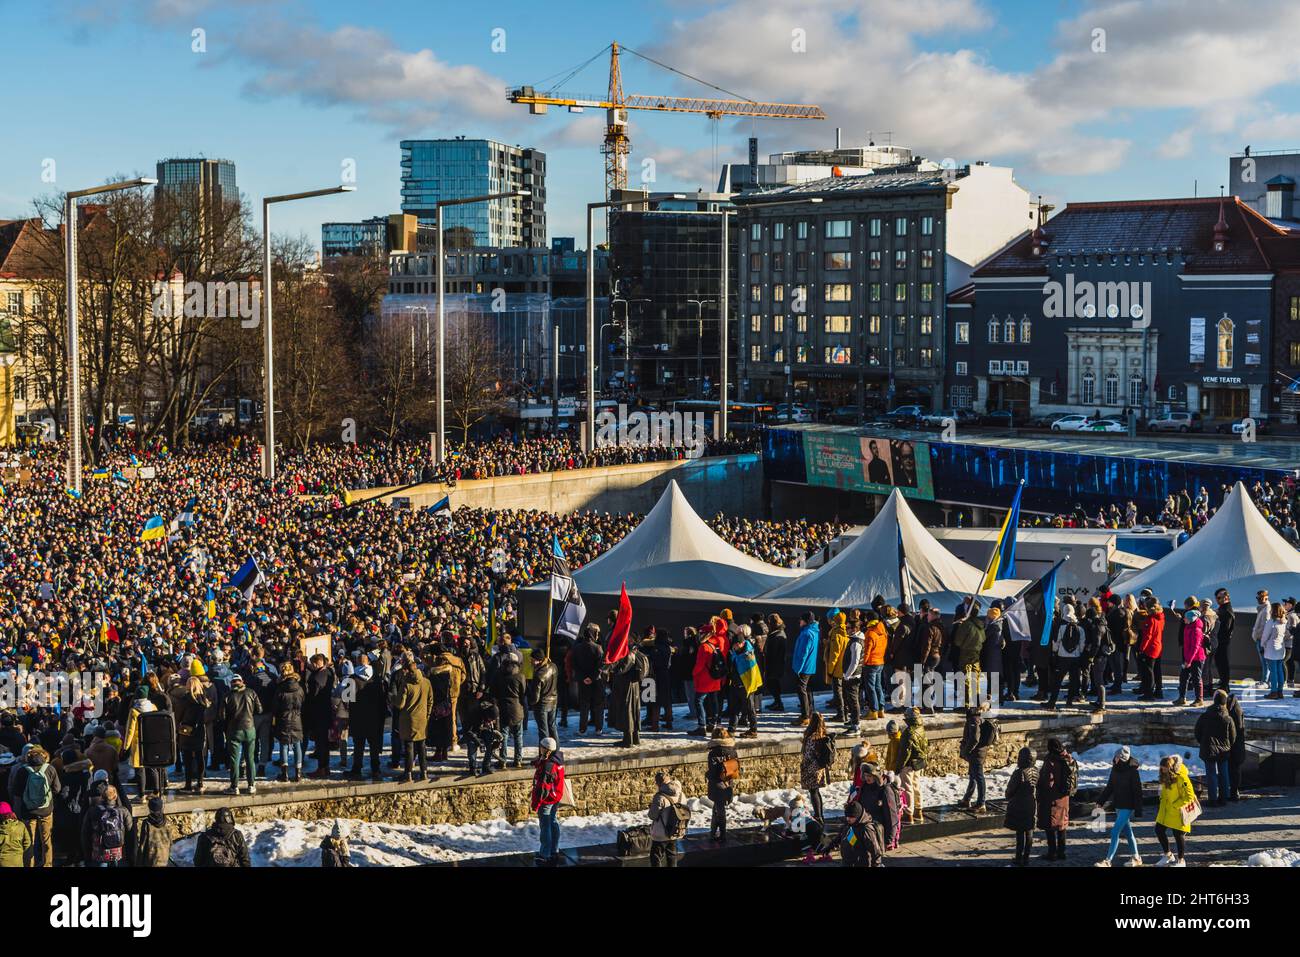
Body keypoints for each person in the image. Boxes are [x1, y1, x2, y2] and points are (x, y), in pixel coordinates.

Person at [1094, 746, 1143, 867]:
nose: (1114, 759)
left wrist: (1138, 810)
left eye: (1116, 756)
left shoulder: (1133, 772)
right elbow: (1109, 787)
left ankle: (1108, 861)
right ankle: (1136, 857)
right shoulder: (1115, 770)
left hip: (1128, 806)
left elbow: (1138, 791)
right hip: (1118, 805)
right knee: (1128, 832)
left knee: (1115, 831)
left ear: (1121, 758)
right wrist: (1101, 801)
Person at [11, 746, 58, 867]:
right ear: (43, 755)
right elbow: (57, 788)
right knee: (46, 840)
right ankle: (47, 864)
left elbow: (16, 791)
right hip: (46, 810)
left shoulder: (22, 771)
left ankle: (29, 865)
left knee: (28, 841)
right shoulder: (50, 768)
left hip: (28, 810)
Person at [392, 654, 433, 781]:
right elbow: (430, 701)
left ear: (407, 670)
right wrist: (427, 715)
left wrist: (392, 698)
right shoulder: (426, 682)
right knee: (422, 747)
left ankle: (408, 773)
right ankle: (424, 772)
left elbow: (400, 704)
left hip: (408, 720)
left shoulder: (406, 684)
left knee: (409, 747)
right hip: (422, 719)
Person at [1194, 690, 1237, 806]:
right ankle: (1224, 797)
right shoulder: (1228, 719)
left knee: (1211, 774)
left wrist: (1202, 742)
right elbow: (1233, 737)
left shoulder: (1205, 716)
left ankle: (1212, 799)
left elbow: (1197, 732)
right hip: (1224, 750)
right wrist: (1227, 746)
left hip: (1208, 749)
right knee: (1224, 773)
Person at [222, 673, 262, 794]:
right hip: (249, 728)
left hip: (234, 730)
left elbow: (222, 715)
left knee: (234, 759)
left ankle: (234, 786)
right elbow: (259, 710)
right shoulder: (251, 692)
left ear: (231, 683)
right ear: (242, 681)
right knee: (250, 758)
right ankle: (251, 785)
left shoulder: (228, 696)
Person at [1036, 738, 1075, 861]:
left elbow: (1047, 781)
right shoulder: (1068, 758)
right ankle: (1062, 852)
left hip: (1052, 798)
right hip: (1064, 798)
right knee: (1061, 825)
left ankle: (1052, 853)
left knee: (1050, 826)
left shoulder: (1051, 760)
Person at [347, 659, 386, 779]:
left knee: (358, 745)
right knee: (374, 745)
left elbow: (346, 698)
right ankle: (376, 769)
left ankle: (356, 769)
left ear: (358, 663)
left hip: (358, 717)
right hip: (374, 717)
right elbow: (382, 699)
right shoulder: (377, 678)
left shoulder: (352, 679)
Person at [1154, 754, 1196, 866]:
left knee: (1178, 834)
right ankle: (1168, 855)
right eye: (1161, 768)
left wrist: (1176, 805)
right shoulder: (1163, 776)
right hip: (1166, 810)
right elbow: (1163, 793)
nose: (1161, 770)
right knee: (1158, 829)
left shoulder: (1182, 777)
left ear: (1170, 767)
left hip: (1178, 811)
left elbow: (1190, 795)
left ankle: (1181, 860)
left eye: (1164, 768)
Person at [530, 737, 564, 866]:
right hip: (556, 797)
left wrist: (536, 804)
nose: (539, 748)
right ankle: (554, 850)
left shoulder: (548, 766)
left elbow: (543, 788)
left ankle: (544, 854)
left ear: (546, 749)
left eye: (541, 746)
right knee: (553, 822)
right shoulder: (556, 760)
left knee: (545, 827)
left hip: (547, 799)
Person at [692, 618, 728, 735]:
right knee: (714, 701)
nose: (699, 635)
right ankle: (714, 723)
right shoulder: (715, 645)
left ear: (706, 634)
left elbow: (699, 666)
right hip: (714, 679)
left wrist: (693, 673)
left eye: (701, 633)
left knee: (698, 701)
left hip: (704, 679)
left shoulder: (704, 647)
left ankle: (701, 726)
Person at [81, 784, 132, 868]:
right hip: (117, 851)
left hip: (100, 852)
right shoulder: (123, 811)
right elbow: (130, 829)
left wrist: (86, 855)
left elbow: (85, 833)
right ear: (115, 797)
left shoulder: (93, 811)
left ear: (102, 796)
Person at [1003, 747, 1038, 866]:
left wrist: (1008, 795)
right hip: (1032, 803)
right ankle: (1026, 857)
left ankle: (1019, 857)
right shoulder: (1036, 770)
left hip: (1020, 804)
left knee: (1020, 832)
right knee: (1029, 830)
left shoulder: (1019, 773)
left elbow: (1011, 789)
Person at [492, 653, 528, 766]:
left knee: (504, 735)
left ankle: (502, 760)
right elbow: (524, 694)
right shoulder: (520, 676)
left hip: (503, 708)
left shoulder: (498, 675)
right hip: (517, 708)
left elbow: (494, 692)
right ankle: (518, 760)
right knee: (518, 735)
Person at [647, 770, 688, 867]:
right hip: (675, 830)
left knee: (655, 857)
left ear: (659, 783)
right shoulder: (681, 794)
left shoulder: (659, 797)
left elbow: (652, 816)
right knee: (672, 856)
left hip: (661, 834)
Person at [800, 712, 835, 824]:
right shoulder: (823, 735)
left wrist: (804, 766)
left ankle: (818, 816)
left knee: (813, 792)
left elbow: (808, 754)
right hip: (820, 768)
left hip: (811, 767)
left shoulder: (811, 737)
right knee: (816, 792)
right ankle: (820, 815)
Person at [273, 665, 306, 783]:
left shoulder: (280, 688)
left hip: (284, 718)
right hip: (297, 718)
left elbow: (275, 706)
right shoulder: (300, 688)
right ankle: (298, 773)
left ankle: (284, 773)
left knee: (284, 745)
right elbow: (303, 701)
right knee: (297, 744)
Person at [957, 706, 993, 813]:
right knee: (973, 775)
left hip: (976, 754)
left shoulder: (973, 721)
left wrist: (966, 751)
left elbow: (974, 739)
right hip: (979, 752)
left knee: (979, 777)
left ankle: (981, 803)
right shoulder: (979, 719)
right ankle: (967, 799)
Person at [706, 727, 739, 842]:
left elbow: (713, 772)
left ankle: (722, 834)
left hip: (717, 785)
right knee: (717, 809)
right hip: (728, 784)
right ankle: (713, 833)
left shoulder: (713, 753)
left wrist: (707, 775)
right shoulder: (733, 751)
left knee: (719, 811)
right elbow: (736, 768)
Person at [896, 707, 928, 823]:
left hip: (909, 764)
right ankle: (918, 811)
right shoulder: (921, 728)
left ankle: (908, 814)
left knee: (907, 788)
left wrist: (898, 767)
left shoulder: (908, 732)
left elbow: (904, 752)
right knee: (916, 786)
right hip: (918, 763)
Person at [178, 675, 210, 791]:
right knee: (199, 756)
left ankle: (188, 784)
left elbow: (179, 715)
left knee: (187, 759)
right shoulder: (203, 699)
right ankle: (200, 782)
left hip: (186, 731)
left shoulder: (185, 698)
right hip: (200, 731)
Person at [1175, 597, 1206, 707]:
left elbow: (1195, 647)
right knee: (1183, 677)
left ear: (1191, 619)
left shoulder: (1196, 630)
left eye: (1185, 618)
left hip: (1196, 658)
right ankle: (1182, 697)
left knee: (1197, 678)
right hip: (1188, 657)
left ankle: (1199, 699)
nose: (1183, 620)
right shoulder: (1188, 627)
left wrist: (1189, 660)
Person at [790, 611, 820, 726]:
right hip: (809, 665)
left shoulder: (807, 633)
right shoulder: (813, 631)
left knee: (801, 689)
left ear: (806, 621)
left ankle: (805, 716)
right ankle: (808, 713)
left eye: (801, 619)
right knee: (806, 689)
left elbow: (803, 653)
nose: (799, 621)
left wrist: (798, 668)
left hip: (804, 667)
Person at [527, 651, 560, 746]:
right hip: (553, 700)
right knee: (552, 727)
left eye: (532, 660)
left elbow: (535, 698)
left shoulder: (539, 674)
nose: (531, 662)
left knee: (543, 731)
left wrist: (530, 703)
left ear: (539, 660)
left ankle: (544, 754)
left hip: (542, 704)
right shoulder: (553, 666)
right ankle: (555, 751)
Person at [132, 796, 174, 867]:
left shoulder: (147, 823)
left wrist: (138, 863)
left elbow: (142, 845)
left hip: (151, 859)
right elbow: (170, 842)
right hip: (164, 858)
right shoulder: (168, 822)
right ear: (161, 808)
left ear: (150, 809)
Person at [1137, 597, 1166, 700]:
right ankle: (1158, 691)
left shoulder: (1151, 619)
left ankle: (1148, 693)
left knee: (1148, 672)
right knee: (1157, 670)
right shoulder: (1161, 617)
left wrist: (1141, 649)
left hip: (1150, 648)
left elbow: (1147, 636)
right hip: (1158, 646)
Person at [862, 610, 889, 720]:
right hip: (880, 662)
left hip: (871, 663)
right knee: (878, 686)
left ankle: (873, 710)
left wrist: (863, 662)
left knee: (870, 688)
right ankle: (881, 710)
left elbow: (867, 651)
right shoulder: (883, 631)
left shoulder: (870, 633)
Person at [823, 611, 849, 721]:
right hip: (846, 667)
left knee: (838, 692)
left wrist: (830, 669)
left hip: (837, 668)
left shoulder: (836, 633)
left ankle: (841, 714)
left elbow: (834, 654)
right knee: (845, 691)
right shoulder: (847, 632)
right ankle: (846, 713)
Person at [1261, 602, 1289, 698]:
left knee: (1273, 671)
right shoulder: (1284, 622)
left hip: (1271, 649)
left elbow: (1265, 636)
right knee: (1279, 670)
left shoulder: (1271, 622)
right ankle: (1280, 691)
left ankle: (1273, 692)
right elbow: (1287, 635)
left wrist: (1262, 644)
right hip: (1280, 649)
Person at [763, 614, 787, 712]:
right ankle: (777, 701)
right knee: (773, 683)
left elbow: (774, 652)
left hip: (774, 664)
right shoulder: (778, 632)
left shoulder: (778, 634)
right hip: (775, 663)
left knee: (772, 683)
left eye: (769, 622)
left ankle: (778, 703)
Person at [1214, 589, 1235, 692]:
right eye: (1216, 598)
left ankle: (1225, 686)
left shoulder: (1226, 611)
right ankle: (1223, 684)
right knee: (1220, 663)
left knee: (1223, 663)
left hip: (1222, 641)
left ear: (1226, 597)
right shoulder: (1223, 609)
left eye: (1219, 598)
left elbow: (1225, 629)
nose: (1217, 600)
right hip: (1220, 641)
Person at [0, 802, 30, 868]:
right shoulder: (21, 826)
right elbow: (28, 843)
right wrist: (20, 852)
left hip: (2, 862)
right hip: (18, 862)